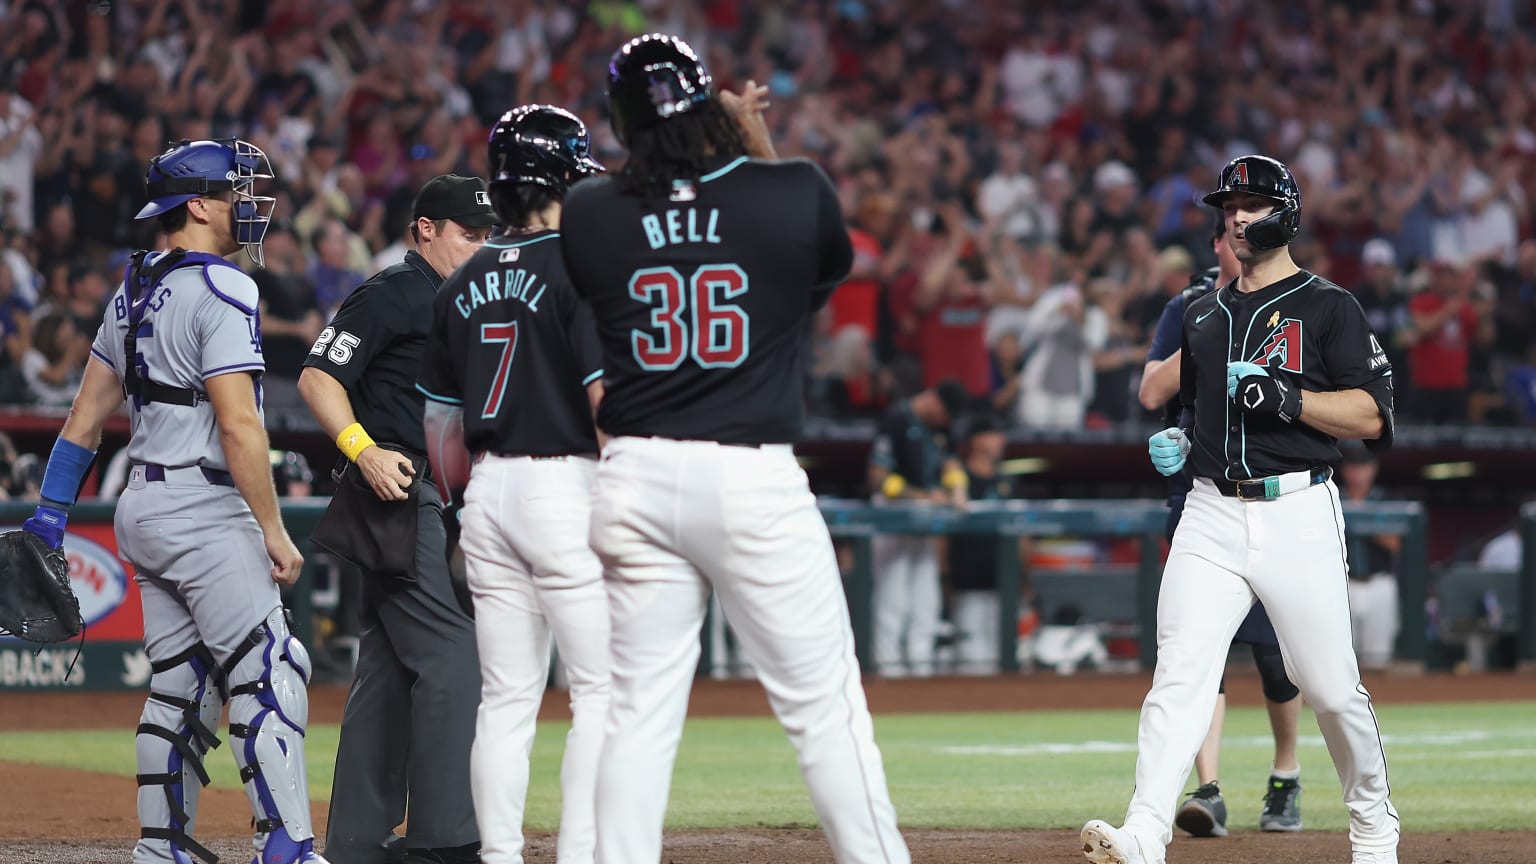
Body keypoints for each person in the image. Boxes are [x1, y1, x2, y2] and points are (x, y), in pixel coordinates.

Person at [559, 33, 910, 864]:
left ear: (621, 121)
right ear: (710, 105)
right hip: (750, 477)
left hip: (635, 474)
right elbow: (810, 270)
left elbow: (652, 212)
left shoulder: (589, 210)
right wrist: (747, 136)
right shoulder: (793, 190)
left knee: (636, 715)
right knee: (824, 709)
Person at [1082, 155, 1400, 864]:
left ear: (1286, 214)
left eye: (1251, 204)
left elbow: (1370, 415)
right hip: (1209, 512)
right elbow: (1194, 405)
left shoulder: (1328, 305)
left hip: (1296, 509)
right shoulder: (1203, 313)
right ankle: (1144, 832)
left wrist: (1288, 398)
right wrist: (1183, 441)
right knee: (1181, 674)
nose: (1235, 217)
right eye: (1228, 207)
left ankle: (1375, 826)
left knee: (1328, 688)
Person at [19, 138, 325, 864]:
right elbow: (239, 424)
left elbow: (84, 421)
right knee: (271, 669)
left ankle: (162, 849)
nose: (245, 207)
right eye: (233, 194)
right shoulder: (226, 287)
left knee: (180, 686)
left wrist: (50, 515)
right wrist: (275, 530)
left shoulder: (132, 290)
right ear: (197, 205)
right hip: (205, 510)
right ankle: (288, 848)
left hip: (143, 511)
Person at [417, 104, 610, 864]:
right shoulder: (583, 267)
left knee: (505, 700)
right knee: (599, 691)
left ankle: (499, 857)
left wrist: (467, 505)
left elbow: (440, 431)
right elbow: (605, 404)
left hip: (488, 492)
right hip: (567, 487)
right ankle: (585, 853)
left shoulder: (456, 283)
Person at [297, 174, 495, 864]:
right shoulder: (390, 292)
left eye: (487, 235)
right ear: (427, 230)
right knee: (453, 660)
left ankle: (355, 843)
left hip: (435, 498)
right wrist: (363, 449)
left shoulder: (463, 303)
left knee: (386, 665)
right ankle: (447, 842)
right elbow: (318, 377)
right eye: (469, 233)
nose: (480, 246)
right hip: (398, 495)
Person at [1137, 219, 1304, 838]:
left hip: (1276, 498)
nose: (1237, 239)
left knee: (1275, 657)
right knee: (1197, 652)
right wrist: (1212, 324)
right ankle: (1207, 790)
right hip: (1202, 498)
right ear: (1215, 245)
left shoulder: (1296, 302)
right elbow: (1151, 389)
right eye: (1227, 229)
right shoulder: (1189, 306)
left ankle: (1285, 777)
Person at [867, 379, 970, 677]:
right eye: (943, 414)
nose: (944, 422)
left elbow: (950, 465)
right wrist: (924, 496)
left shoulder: (942, 425)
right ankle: (889, 671)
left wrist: (959, 489)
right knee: (893, 600)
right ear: (933, 400)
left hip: (925, 518)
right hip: (892, 517)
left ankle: (921, 670)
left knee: (926, 600)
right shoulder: (896, 419)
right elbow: (878, 478)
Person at [1339, 443, 1400, 671]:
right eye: (1353, 467)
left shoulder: (1385, 499)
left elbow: (1396, 543)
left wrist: (1364, 520)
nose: (1357, 473)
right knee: (1342, 657)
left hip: (1378, 583)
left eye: (1362, 467)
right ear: (1345, 470)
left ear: (1372, 469)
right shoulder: (1334, 497)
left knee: (1379, 656)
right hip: (1343, 584)